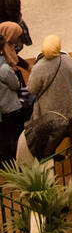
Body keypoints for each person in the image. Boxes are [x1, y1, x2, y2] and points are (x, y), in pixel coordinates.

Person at [28, 35, 72, 122]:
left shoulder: (38, 67)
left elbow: (32, 89)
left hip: (48, 112)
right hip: (68, 108)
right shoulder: (68, 61)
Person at [0, 23, 28, 162]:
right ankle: (17, 159)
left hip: (6, 106)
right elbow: (15, 85)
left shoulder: (9, 51)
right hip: (11, 107)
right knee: (15, 135)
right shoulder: (4, 67)